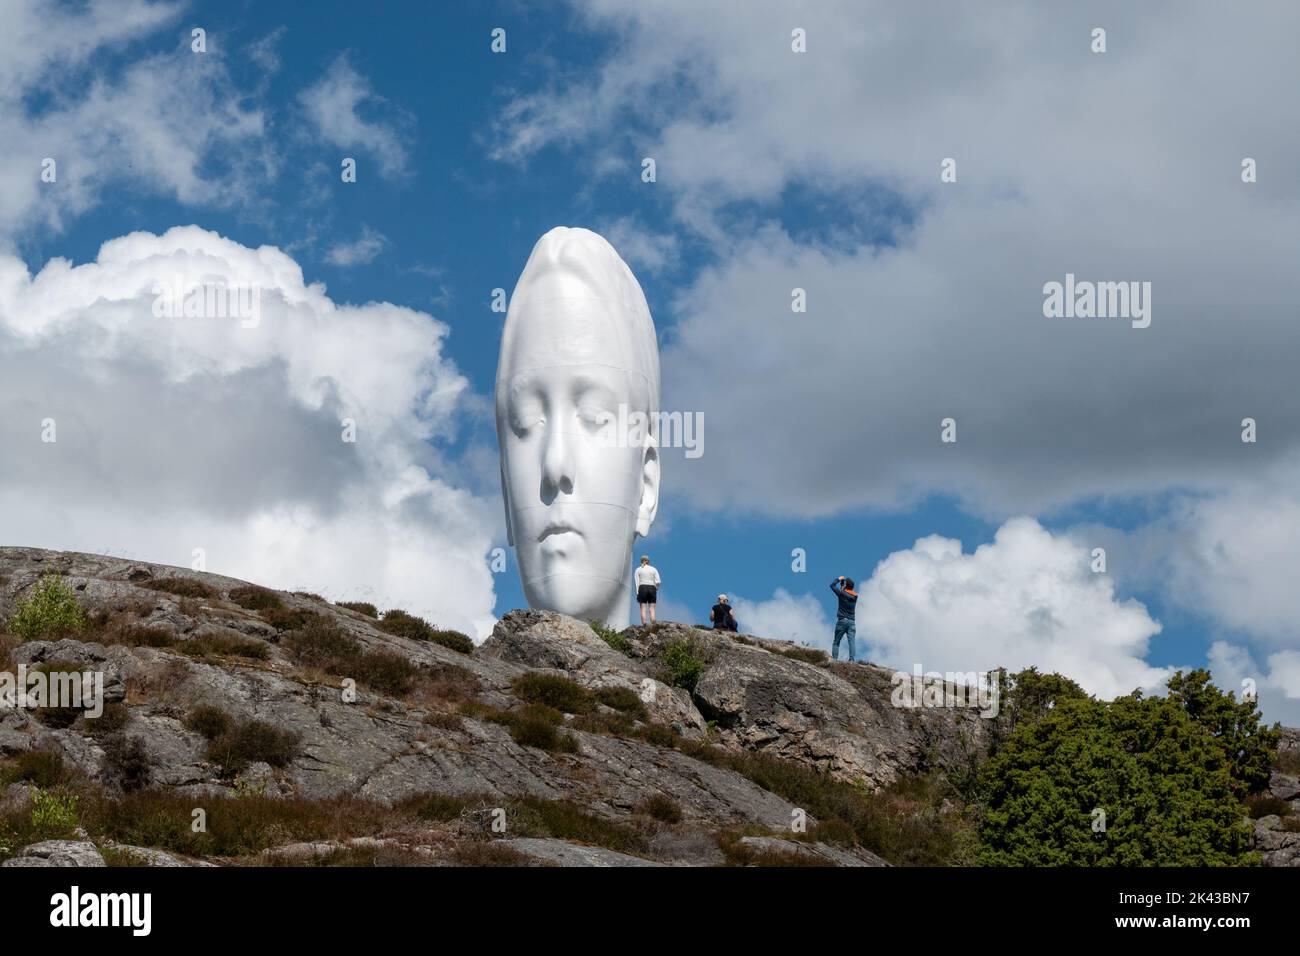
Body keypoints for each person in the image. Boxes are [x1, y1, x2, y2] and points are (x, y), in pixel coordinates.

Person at [829, 575, 857, 662]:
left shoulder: (841, 594)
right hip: (852, 622)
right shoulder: (855, 596)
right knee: (851, 642)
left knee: (836, 642)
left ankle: (834, 659)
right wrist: (843, 585)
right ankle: (851, 660)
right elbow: (846, 592)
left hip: (842, 621)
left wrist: (839, 579)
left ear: (846, 585)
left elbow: (832, 586)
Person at [635, 555, 661, 624]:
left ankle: (644, 625)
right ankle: (653, 624)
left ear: (641, 561)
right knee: (652, 609)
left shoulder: (638, 569)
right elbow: (658, 582)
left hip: (642, 588)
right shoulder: (653, 569)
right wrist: (656, 589)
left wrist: (637, 593)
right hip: (652, 588)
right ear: (648, 561)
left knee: (643, 608)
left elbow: (637, 582)